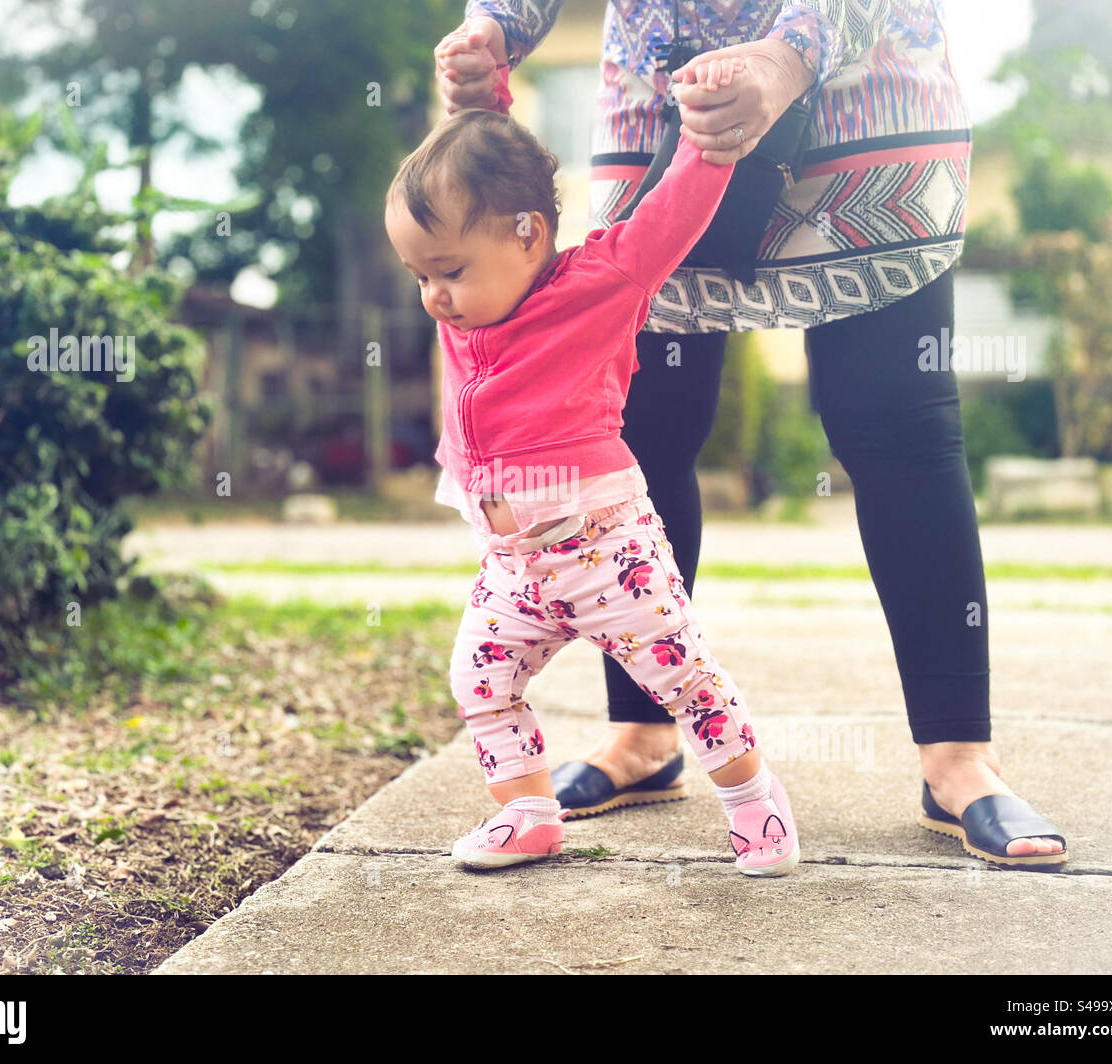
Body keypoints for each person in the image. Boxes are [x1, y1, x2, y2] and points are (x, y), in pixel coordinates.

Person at [433, 1, 1068, 869]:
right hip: (665, 113)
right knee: (640, 430)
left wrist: (790, 55)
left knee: (898, 427)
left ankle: (959, 759)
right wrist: (497, 29)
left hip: (862, 100)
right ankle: (642, 736)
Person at [384, 57, 802, 874]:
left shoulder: (600, 283)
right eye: (419, 276)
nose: (434, 295)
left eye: (449, 271)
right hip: (514, 565)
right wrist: (487, 102)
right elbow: (479, 168)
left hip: (608, 553)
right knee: (479, 678)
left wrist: (707, 143)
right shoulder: (469, 305)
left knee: (685, 682)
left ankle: (755, 806)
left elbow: (668, 220)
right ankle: (530, 814)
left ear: (527, 235)